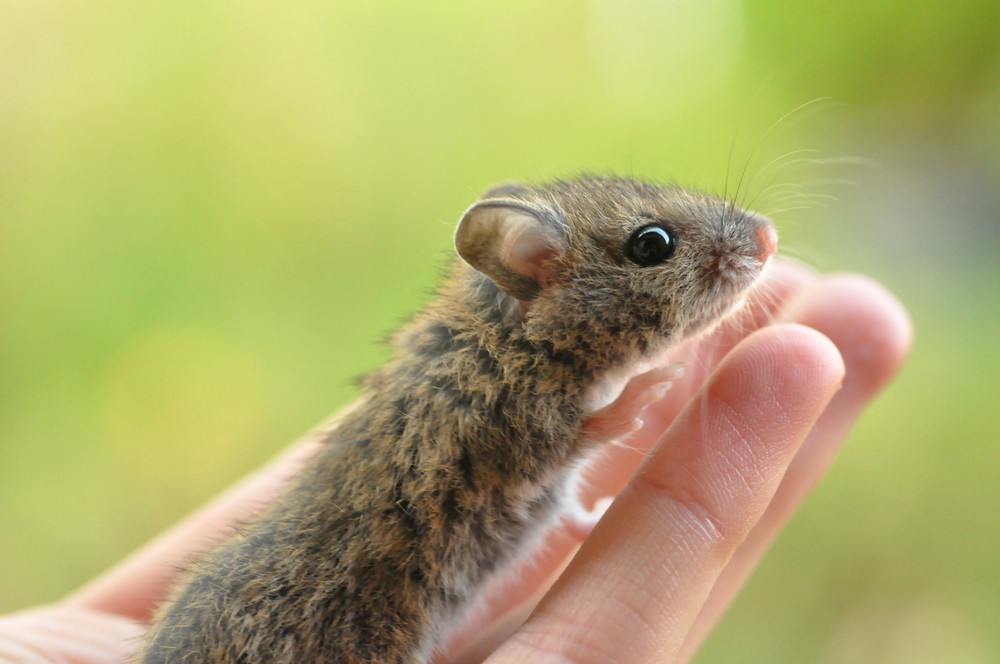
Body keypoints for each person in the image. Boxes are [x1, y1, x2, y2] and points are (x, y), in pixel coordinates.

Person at [0, 260, 911, 664]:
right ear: (538, 275)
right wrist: (614, 417)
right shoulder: (495, 384)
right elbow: (518, 447)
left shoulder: (505, 370)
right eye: (652, 252)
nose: (744, 249)